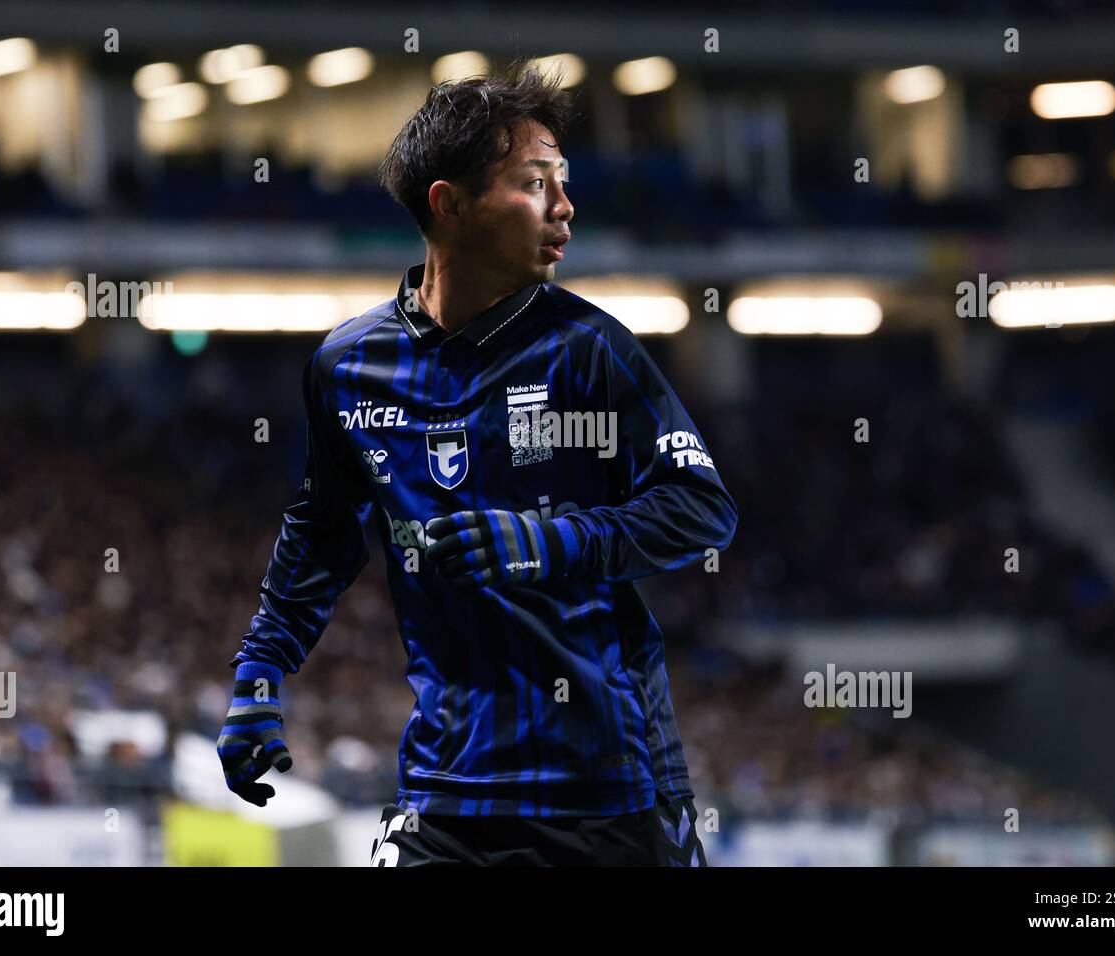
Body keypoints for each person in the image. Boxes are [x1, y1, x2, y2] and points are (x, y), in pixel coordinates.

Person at [217, 61, 737, 866]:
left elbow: (703, 508)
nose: (564, 208)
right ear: (449, 204)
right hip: (446, 789)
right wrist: (259, 676)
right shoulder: (347, 368)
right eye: (534, 185)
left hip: (608, 791)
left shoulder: (591, 350)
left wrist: (548, 542)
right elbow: (323, 534)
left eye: (562, 183)